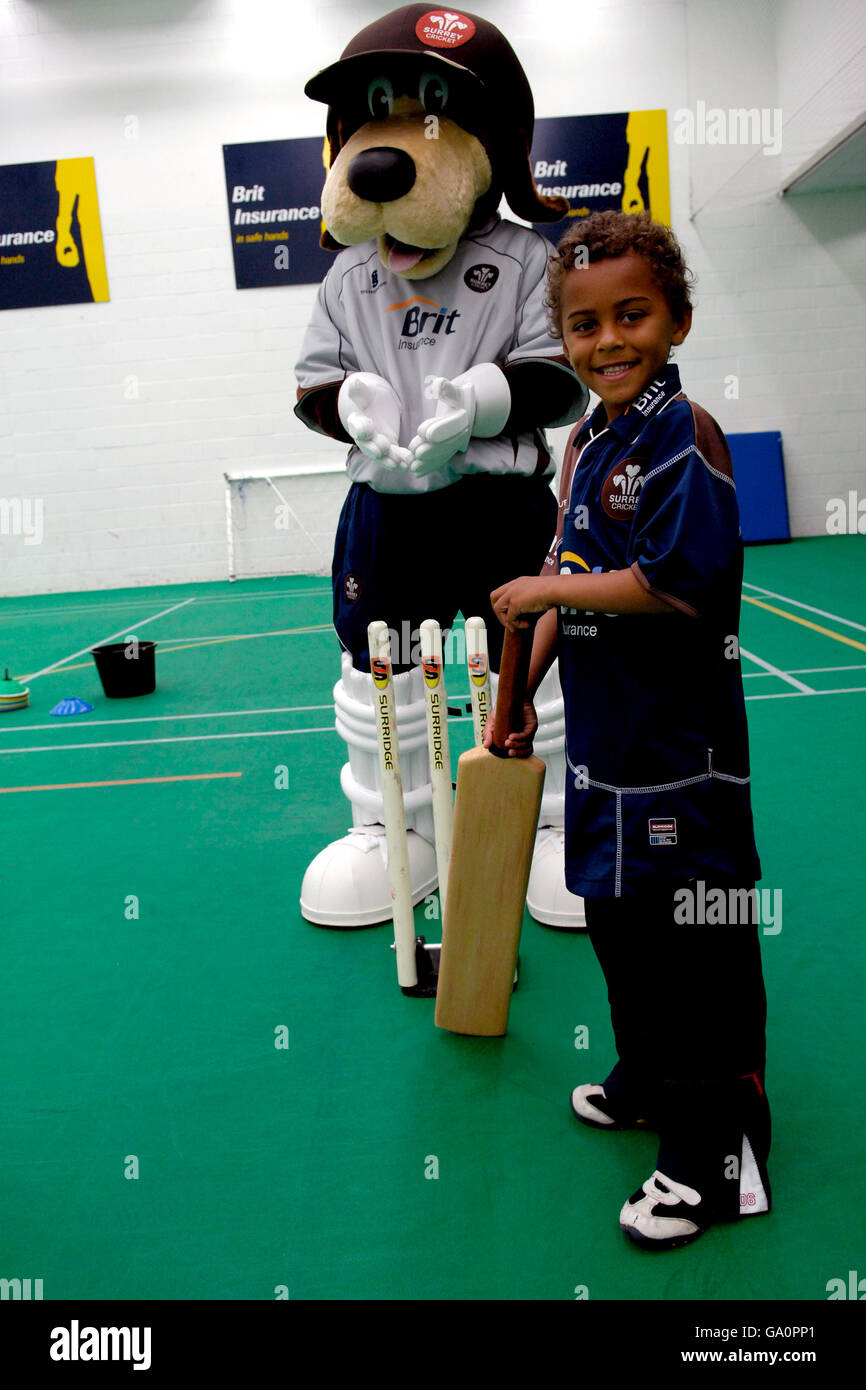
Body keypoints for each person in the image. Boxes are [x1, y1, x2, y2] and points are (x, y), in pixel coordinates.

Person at [487, 210, 771, 1250]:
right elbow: (564, 583)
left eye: (631, 316)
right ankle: (649, 1081)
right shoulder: (585, 440)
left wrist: (533, 588)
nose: (606, 340)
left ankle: (712, 1163)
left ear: (677, 321)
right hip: (607, 749)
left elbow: (672, 582)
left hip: (678, 758)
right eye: (582, 324)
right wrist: (520, 689)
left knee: (687, 951)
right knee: (613, 922)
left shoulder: (678, 433)